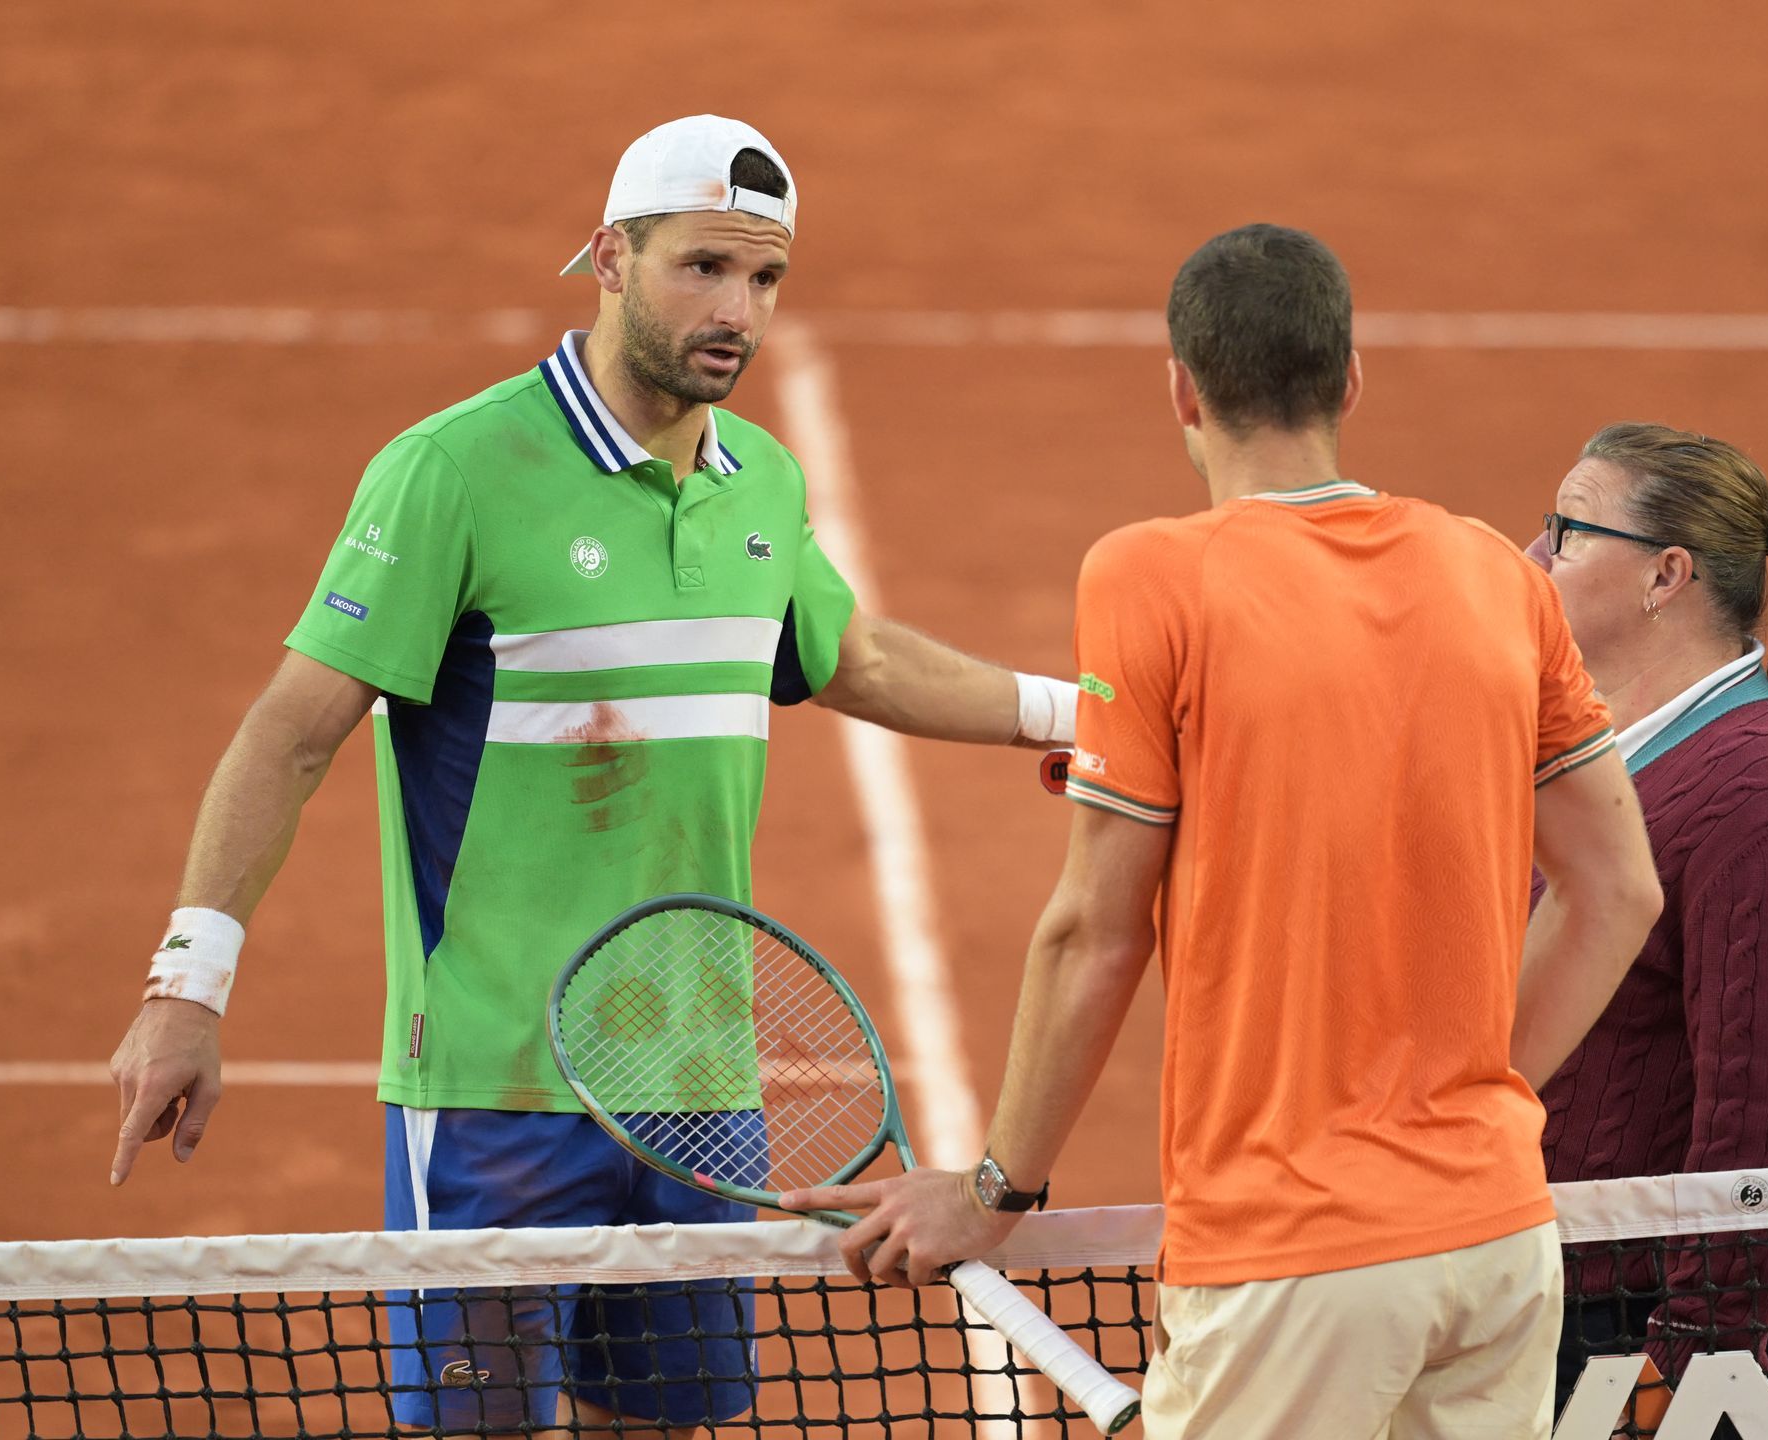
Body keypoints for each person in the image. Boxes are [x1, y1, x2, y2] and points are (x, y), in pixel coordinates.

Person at [102, 115, 1082, 1437]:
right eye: (703, 268)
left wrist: (1073, 714)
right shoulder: (455, 470)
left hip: (700, 1090)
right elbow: (290, 734)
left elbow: (852, 658)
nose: (738, 310)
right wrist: (187, 987)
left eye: (765, 279)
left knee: (664, 1425)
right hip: (500, 1087)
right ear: (612, 257)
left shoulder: (762, 484)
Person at [782, 225, 1665, 1438]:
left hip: (1291, 1260)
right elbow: (1617, 889)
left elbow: (1096, 930)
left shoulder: (1150, 578)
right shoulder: (1495, 576)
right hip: (1497, 1241)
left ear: (1182, 390)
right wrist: (1467, 1096)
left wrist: (996, 1192)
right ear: (1349, 379)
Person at [1528, 423, 1768, 1431]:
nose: (1533, 558)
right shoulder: (1604, 750)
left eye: (1564, 530)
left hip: (1653, 1336)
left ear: (1664, 576)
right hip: (1567, 1293)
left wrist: (1692, 1364)